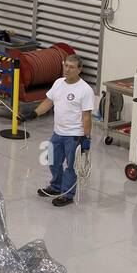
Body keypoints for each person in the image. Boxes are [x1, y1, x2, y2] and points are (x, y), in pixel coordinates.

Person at [23, 53, 95, 207]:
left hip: (74, 136)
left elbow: (87, 116)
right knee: (52, 160)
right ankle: (56, 186)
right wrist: (33, 113)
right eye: (66, 65)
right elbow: (49, 102)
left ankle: (67, 194)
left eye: (72, 67)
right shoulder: (58, 83)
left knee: (71, 166)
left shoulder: (85, 90)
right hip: (57, 133)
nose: (67, 69)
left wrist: (86, 138)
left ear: (79, 70)